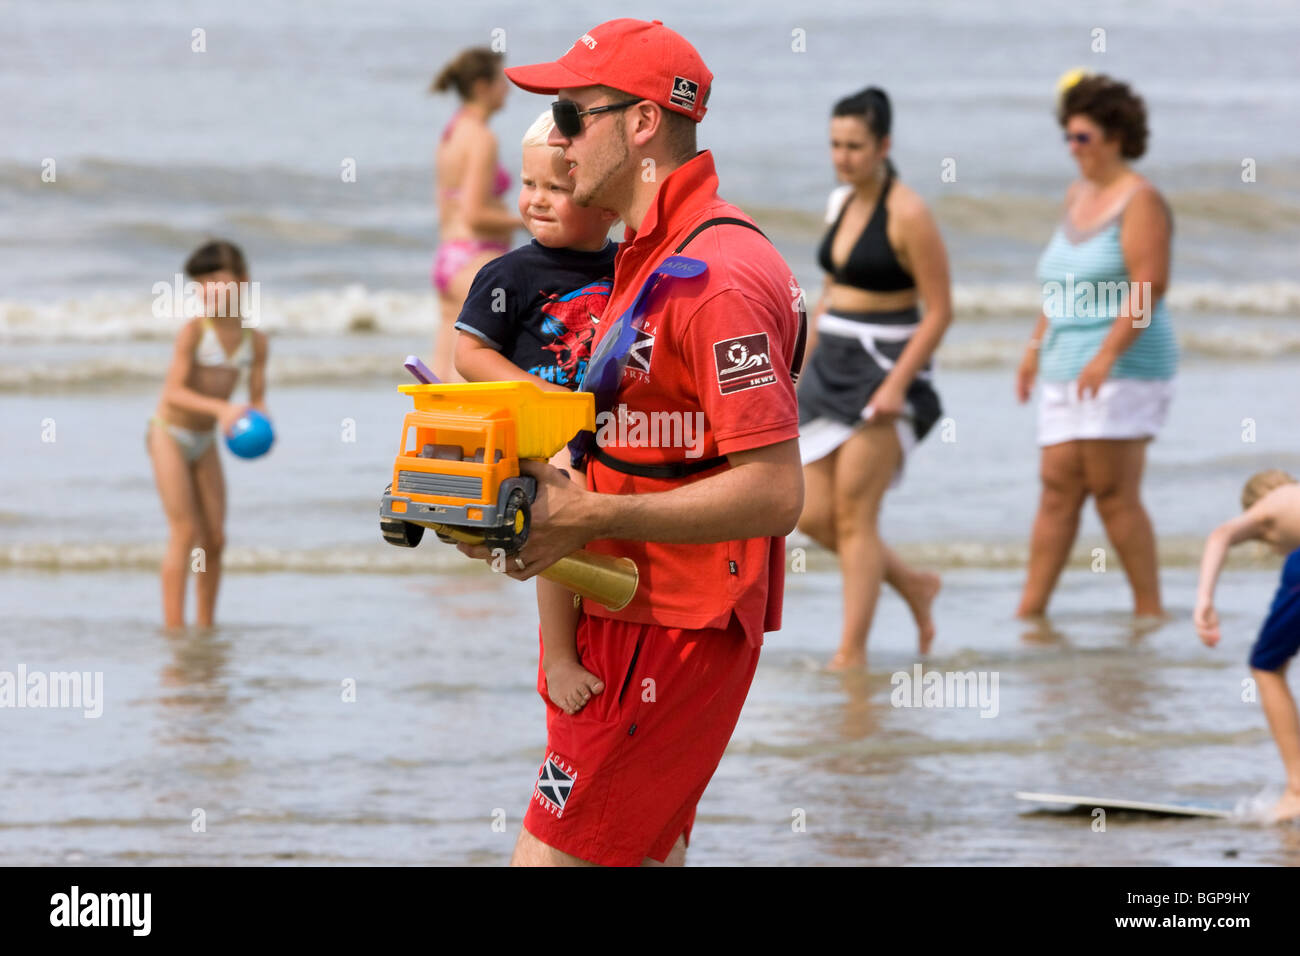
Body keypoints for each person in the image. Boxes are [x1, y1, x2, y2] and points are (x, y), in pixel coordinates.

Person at [456, 18, 804, 867]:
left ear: (643, 124)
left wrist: (588, 515)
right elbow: (627, 439)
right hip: (618, 602)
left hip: (674, 620)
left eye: (575, 116)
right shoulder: (644, 257)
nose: (557, 141)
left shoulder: (715, 272)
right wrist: (532, 517)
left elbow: (777, 492)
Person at [454, 109, 619, 715]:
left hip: (604, 425)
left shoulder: (626, 266)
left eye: (557, 187)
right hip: (541, 434)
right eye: (528, 185)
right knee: (563, 499)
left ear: (608, 204)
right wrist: (535, 392)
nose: (537, 201)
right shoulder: (509, 274)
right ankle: (557, 653)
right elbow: (468, 353)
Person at [795, 87, 952, 671]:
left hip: (884, 371)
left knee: (857, 518)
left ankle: (849, 655)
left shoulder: (909, 212)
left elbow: (939, 311)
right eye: (836, 145)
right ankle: (912, 584)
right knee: (808, 510)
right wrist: (798, 364)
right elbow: (829, 293)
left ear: (883, 145)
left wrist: (895, 387)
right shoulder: (839, 203)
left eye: (855, 146)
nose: (844, 157)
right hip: (830, 364)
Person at [1016, 73, 1179, 619]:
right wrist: (1034, 348)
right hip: (1065, 363)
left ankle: (1149, 611)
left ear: (1114, 136)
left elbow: (1148, 286)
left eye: (1082, 137)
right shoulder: (1076, 194)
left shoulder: (1141, 199)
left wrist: (1107, 355)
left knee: (1112, 493)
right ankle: (1030, 612)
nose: (1073, 148)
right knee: (1056, 488)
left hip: (1126, 364)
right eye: (1068, 137)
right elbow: (1059, 286)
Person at [147, 240, 269, 630]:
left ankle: (205, 627)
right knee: (184, 531)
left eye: (218, 280)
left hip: (205, 442)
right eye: (201, 284)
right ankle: (174, 629)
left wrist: (259, 421)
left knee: (214, 538)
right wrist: (223, 410)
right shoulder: (194, 333)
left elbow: (257, 398)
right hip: (169, 433)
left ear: (243, 281)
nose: (209, 291)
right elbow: (173, 392)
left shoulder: (256, 342)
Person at [1194, 469, 1300, 822]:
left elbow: (1220, 535)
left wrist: (1204, 600)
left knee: (1266, 666)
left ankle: (1298, 790)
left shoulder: (1266, 509)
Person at [429, 48, 524, 382]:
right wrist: (526, 221)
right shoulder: (483, 138)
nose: (508, 88)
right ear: (483, 86)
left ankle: (438, 435)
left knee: (440, 375)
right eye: (501, 80)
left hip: (448, 259)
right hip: (475, 260)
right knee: (473, 372)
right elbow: (474, 214)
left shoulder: (452, 132)